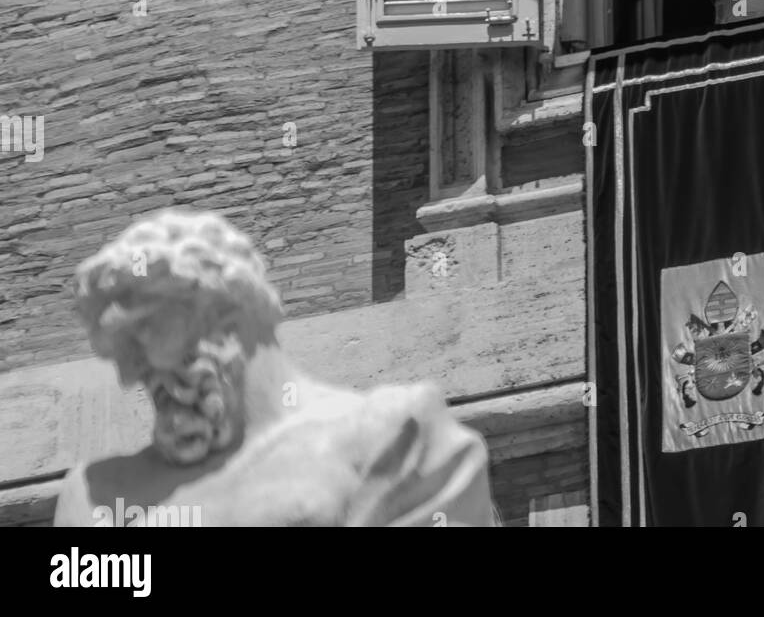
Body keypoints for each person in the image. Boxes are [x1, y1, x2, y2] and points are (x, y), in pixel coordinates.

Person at [53, 208, 496, 527]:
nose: (131, 375)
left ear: (220, 310)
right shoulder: (100, 497)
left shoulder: (395, 438)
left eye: (142, 335)